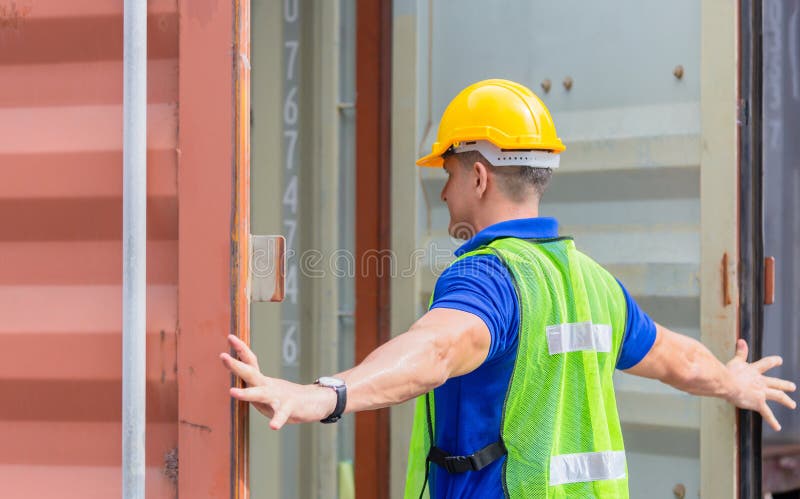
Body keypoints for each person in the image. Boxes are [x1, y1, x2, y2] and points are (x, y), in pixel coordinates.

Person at [220, 79, 797, 498]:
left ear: (478, 175)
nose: (443, 193)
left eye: (447, 174)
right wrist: (734, 382)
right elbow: (681, 361)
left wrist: (322, 395)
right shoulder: (595, 283)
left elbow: (438, 350)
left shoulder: (489, 275)